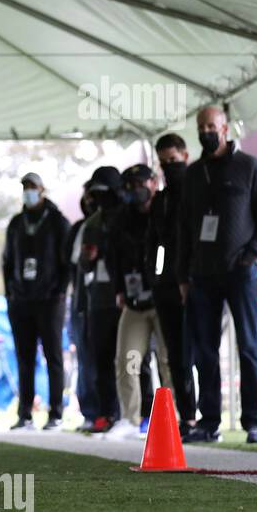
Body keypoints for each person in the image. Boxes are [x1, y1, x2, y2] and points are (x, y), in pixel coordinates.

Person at [177, 106, 257, 444]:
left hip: (240, 273)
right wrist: (182, 276)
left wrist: (253, 255)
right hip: (201, 275)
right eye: (202, 126)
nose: (206, 131)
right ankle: (209, 421)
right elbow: (184, 228)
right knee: (205, 351)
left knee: (248, 346)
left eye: (212, 126)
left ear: (225, 129)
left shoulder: (248, 166)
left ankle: (254, 421)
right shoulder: (192, 174)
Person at [105, 164, 172, 441]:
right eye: (130, 185)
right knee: (127, 359)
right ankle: (130, 418)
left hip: (164, 298)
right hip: (134, 300)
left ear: (153, 182)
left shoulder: (166, 209)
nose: (135, 190)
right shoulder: (122, 217)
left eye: (139, 183)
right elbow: (113, 256)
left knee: (169, 360)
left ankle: (175, 419)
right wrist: (119, 288)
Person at [2, 172, 71, 430]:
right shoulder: (17, 223)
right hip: (21, 301)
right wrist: (11, 293)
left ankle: (56, 413)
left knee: (53, 356)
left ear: (42, 189)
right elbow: (7, 262)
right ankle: (25, 414)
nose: (28, 191)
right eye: (24, 187)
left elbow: (67, 262)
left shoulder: (57, 222)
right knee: (24, 358)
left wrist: (59, 291)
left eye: (32, 187)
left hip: (50, 300)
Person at [148, 133, 196, 434]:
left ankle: (211, 417)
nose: (169, 167)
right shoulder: (161, 201)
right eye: (164, 163)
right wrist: (154, 278)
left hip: (195, 281)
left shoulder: (198, 192)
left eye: (173, 161)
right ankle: (188, 416)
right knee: (175, 354)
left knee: (198, 350)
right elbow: (153, 243)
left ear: (185, 156)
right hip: (166, 284)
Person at [79, 166, 124, 433]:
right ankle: (107, 413)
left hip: (125, 299)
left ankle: (141, 414)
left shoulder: (127, 218)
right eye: (96, 193)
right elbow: (84, 267)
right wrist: (88, 257)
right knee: (101, 359)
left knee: (132, 359)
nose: (99, 198)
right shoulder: (93, 223)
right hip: (99, 300)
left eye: (104, 192)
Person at [66, 181, 100, 431]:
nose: (89, 200)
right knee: (85, 359)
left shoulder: (114, 223)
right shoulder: (78, 228)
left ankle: (115, 413)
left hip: (107, 301)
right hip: (81, 302)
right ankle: (89, 412)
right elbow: (70, 265)